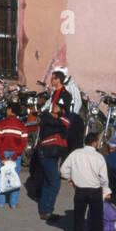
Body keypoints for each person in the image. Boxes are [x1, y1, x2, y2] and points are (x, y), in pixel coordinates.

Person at [60, 131, 111, 231]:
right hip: (95, 190)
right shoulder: (99, 157)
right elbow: (104, 178)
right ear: (95, 143)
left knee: (78, 218)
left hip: (80, 190)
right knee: (97, 219)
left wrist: (70, 179)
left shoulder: (75, 154)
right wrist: (105, 189)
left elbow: (63, 170)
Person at [36, 88, 71, 221]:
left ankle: (45, 211)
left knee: (48, 182)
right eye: (59, 107)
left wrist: (61, 115)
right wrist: (59, 116)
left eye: (62, 108)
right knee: (55, 182)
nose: (60, 109)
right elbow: (62, 124)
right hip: (46, 154)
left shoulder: (61, 119)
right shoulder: (46, 117)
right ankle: (47, 210)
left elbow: (67, 124)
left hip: (53, 154)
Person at [0, 102, 29, 211]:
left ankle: (1, 203)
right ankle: (13, 203)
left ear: (9, 110)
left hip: (2, 153)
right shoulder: (22, 126)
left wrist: (2, 157)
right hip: (15, 155)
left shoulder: (1, 124)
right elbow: (23, 143)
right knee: (14, 177)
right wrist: (13, 156)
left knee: (1, 177)